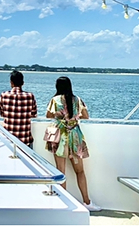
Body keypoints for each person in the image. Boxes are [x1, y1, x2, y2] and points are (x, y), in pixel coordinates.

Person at [46, 76, 101, 212]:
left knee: (60, 171)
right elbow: (86, 115)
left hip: (60, 137)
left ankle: (64, 203)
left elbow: (48, 115)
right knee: (80, 171)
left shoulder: (55, 100)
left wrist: (62, 117)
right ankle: (87, 202)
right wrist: (75, 117)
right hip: (75, 136)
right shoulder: (77, 100)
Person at [0, 70, 37, 146]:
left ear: (11, 83)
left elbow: (2, 114)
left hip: (8, 138)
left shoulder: (4, 95)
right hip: (25, 139)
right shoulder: (30, 96)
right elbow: (34, 114)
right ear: (23, 83)